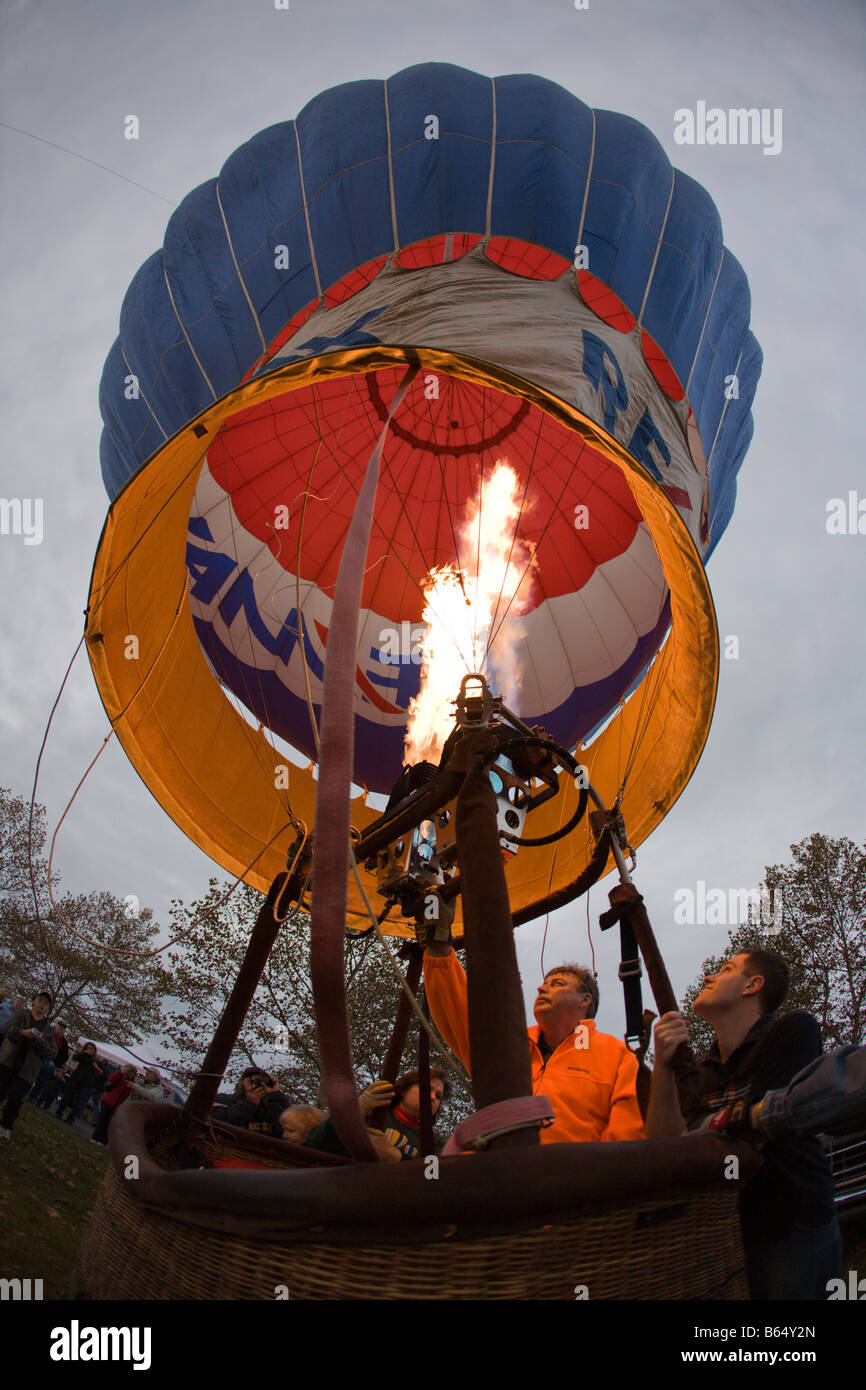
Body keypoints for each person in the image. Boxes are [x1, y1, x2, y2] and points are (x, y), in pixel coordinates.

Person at [647, 948, 841, 1301]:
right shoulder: (702, 1070)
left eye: (725, 969)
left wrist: (698, 1132)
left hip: (790, 1224)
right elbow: (662, 1146)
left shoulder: (792, 1031)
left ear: (753, 985)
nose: (708, 977)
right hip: (726, 1232)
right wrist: (662, 1065)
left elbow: (762, 1123)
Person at [424, 941, 645, 1144]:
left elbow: (627, 1137)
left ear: (584, 1000)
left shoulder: (616, 1056)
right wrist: (439, 947)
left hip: (574, 1179)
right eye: (543, 984)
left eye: (557, 984)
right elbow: (465, 1018)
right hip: (496, 1175)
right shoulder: (512, 1044)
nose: (541, 988)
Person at [0, 991, 57, 1139]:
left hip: (27, 1070)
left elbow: (52, 1053)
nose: (42, 1005)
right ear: (33, 1001)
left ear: (48, 1008)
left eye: (46, 1003)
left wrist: (42, 1044)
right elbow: (8, 1029)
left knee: (15, 1099)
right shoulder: (21, 1015)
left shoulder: (49, 1029)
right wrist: (23, 1033)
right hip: (8, 1061)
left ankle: (6, 1125)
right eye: (40, 1001)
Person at [217, 1067, 292, 1138]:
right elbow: (216, 1122)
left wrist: (276, 1095)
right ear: (241, 1083)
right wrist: (249, 1104)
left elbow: (289, 1127)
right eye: (251, 1081)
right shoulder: (224, 1100)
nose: (255, 1085)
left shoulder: (270, 1107)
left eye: (259, 1082)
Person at [56, 1042, 104, 1125]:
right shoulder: (83, 1056)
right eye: (88, 1048)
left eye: (92, 1049)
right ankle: (59, 1112)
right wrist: (84, 1053)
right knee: (67, 1096)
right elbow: (75, 1057)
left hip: (87, 1083)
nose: (90, 1050)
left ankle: (71, 1118)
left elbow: (102, 1071)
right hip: (76, 1079)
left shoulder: (96, 1061)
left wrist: (97, 1068)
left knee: (80, 1101)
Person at [91, 1063, 137, 1145]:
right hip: (109, 1100)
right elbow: (109, 1080)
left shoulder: (132, 1083)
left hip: (117, 1104)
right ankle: (96, 1137)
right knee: (102, 1120)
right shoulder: (119, 1075)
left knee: (110, 1123)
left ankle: (104, 1140)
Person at [30, 1021, 70, 1107]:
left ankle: (33, 1097)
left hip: (50, 1062)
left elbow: (64, 1056)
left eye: (63, 1028)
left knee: (42, 1081)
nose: (60, 1029)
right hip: (39, 1057)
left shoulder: (64, 1043)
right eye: (60, 1027)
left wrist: (56, 1063)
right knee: (31, 1075)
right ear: (56, 1026)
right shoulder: (48, 1033)